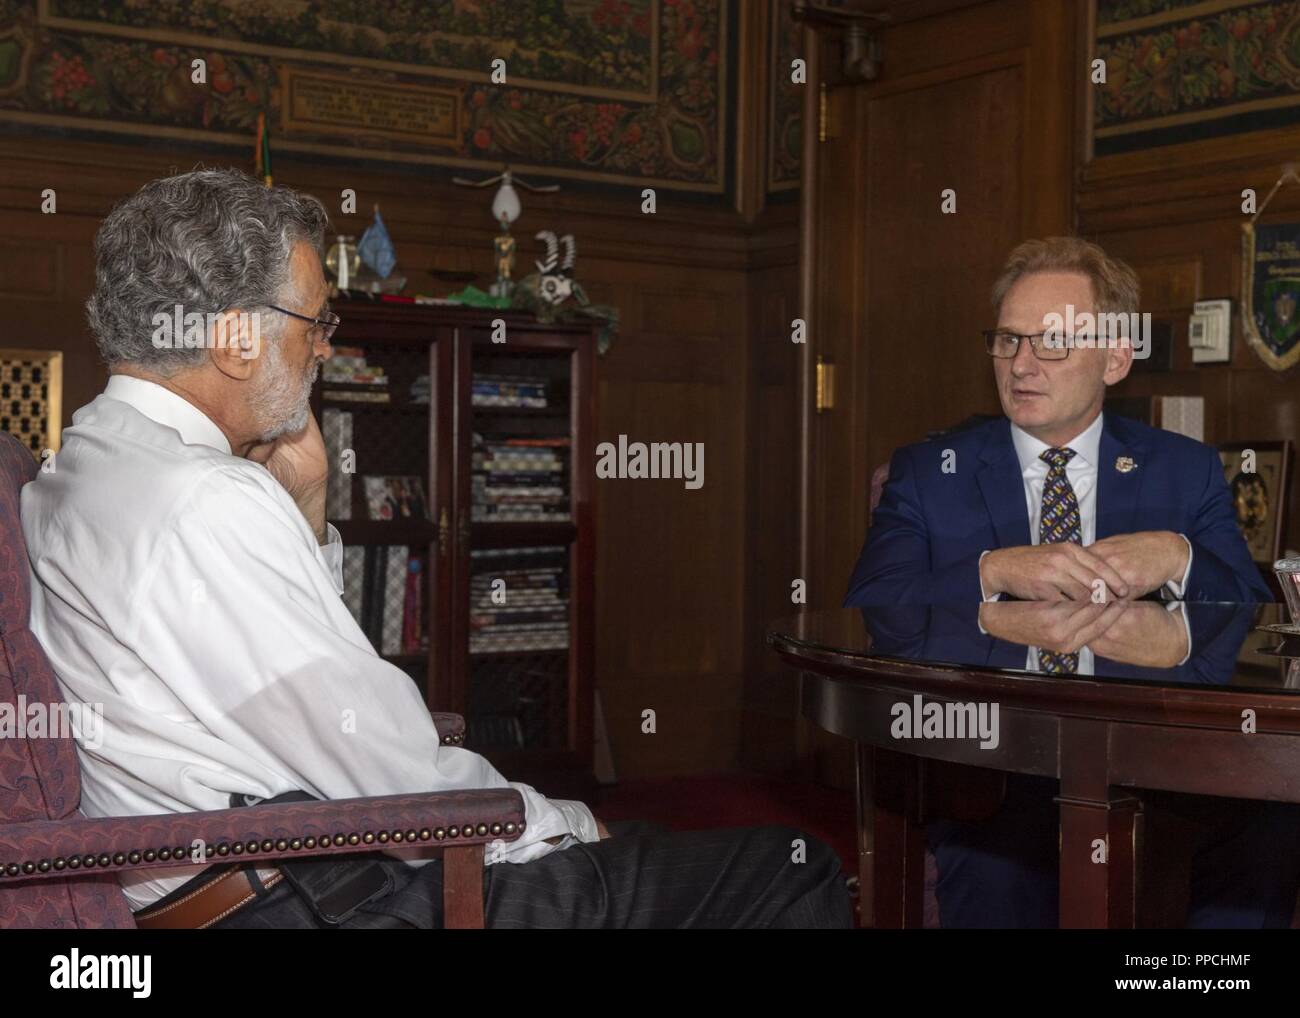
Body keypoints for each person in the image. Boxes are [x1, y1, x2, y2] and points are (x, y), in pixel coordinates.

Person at [23, 168, 851, 930]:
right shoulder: (206, 499)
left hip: (242, 879)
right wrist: (560, 823)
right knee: (792, 866)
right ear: (238, 337)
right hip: (314, 902)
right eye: (315, 321)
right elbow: (388, 773)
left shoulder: (77, 466)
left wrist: (307, 512)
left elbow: (281, 703)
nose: (324, 347)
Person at [843, 236, 1295, 928]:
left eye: (1052, 343)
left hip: (1160, 764)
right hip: (999, 766)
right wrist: (993, 570)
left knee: (1268, 832)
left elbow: (1251, 622)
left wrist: (1180, 558)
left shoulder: (1184, 470)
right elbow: (876, 604)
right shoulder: (930, 472)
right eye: (1007, 340)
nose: (1021, 365)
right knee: (996, 863)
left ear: (1115, 357)